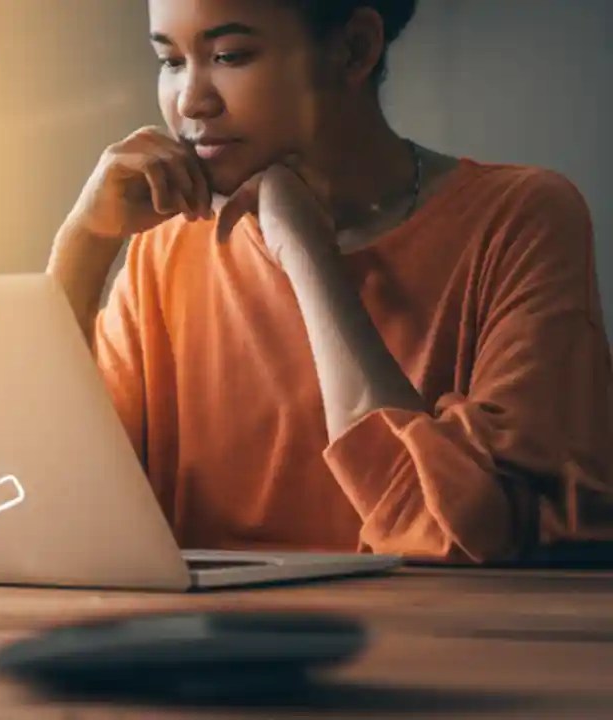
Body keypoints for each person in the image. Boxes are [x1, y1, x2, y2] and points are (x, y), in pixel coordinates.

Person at [47, 0, 613, 563]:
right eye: (170, 62)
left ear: (354, 49)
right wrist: (83, 249)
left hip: (431, 642)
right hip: (203, 647)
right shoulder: (162, 251)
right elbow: (45, 507)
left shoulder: (519, 220)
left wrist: (306, 255)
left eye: (229, 55)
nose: (191, 102)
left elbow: (457, 536)